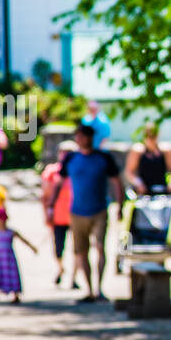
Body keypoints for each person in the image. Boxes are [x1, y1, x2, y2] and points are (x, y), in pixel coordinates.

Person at [61, 123, 121, 303]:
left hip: (99, 210)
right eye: (77, 136)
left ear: (89, 138)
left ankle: (99, 288)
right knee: (81, 251)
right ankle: (88, 289)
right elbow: (59, 181)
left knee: (100, 247)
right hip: (77, 211)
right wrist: (50, 206)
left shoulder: (104, 158)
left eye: (82, 136)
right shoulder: (70, 158)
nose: (79, 140)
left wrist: (120, 205)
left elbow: (116, 182)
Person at [41, 141, 80, 288]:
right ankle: (61, 269)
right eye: (63, 151)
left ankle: (74, 278)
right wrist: (46, 214)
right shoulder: (52, 171)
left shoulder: (78, 170)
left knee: (78, 249)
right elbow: (44, 196)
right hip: (58, 216)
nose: (65, 155)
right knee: (58, 249)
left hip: (77, 214)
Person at [0, 207, 37, 304]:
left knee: (12, 276)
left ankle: (16, 294)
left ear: (1, 221)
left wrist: (32, 247)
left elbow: (23, 240)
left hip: (9, 259)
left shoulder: (10, 232)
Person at [124, 122, 171, 195]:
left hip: (163, 191)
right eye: (148, 136)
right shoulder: (138, 151)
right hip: (144, 192)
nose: (151, 139)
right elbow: (129, 172)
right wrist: (138, 183)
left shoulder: (166, 150)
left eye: (153, 135)